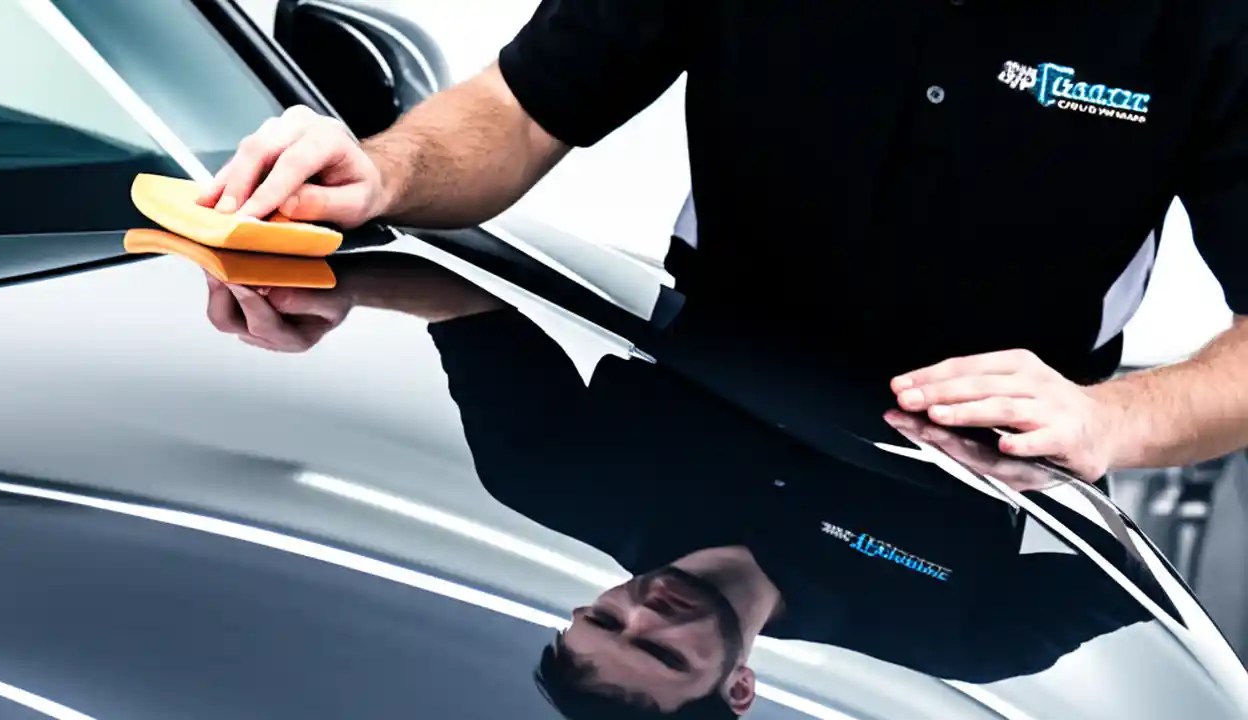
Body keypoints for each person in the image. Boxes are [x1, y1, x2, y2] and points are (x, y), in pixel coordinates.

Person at [202, 0, 1248, 484]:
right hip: (708, 399)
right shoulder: (550, 479)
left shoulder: (1209, 22)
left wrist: (1110, 421)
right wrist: (382, 169)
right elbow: (522, 111)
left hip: (995, 485)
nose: (633, 619)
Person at [203, 254, 1171, 717]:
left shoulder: (542, 476)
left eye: (600, 620)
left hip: (781, 195)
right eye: (663, 655)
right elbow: (1167, 591)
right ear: (737, 687)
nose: (643, 613)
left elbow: (467, 297)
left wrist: (333, 285)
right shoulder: (962, 637)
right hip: (1042, 266)